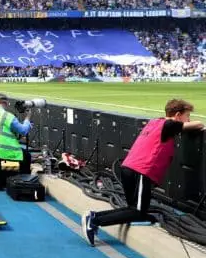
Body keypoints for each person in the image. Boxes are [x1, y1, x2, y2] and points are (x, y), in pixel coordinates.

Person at [81, 99, 205, 247]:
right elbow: (198, 125)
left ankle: (94, 217)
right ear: (178, 115)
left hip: (129, 168)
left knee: (134, 209)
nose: (188, 119)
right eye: (187, 116)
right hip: (140, 171)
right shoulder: (169, 125)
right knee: (137, 212)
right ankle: (94, 220)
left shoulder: (154, 122)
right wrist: (195, 124)